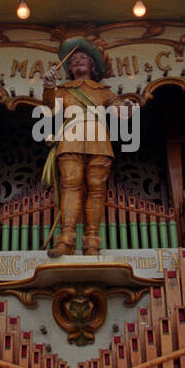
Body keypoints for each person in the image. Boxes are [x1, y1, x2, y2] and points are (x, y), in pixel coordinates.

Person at [41, 37, 133, 257]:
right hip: (71, 138)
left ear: (92, 65)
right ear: (69, 68)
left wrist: (128, 108)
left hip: (99, 141)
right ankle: (66, 239)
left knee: (96, 188)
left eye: (83, 58)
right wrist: (48, 86)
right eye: (73, 60)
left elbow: (120, 111)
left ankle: (92, 240)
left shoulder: (103, 91)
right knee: (70, 186)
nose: (78, 61)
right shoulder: (63, 89)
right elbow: (50, 107)